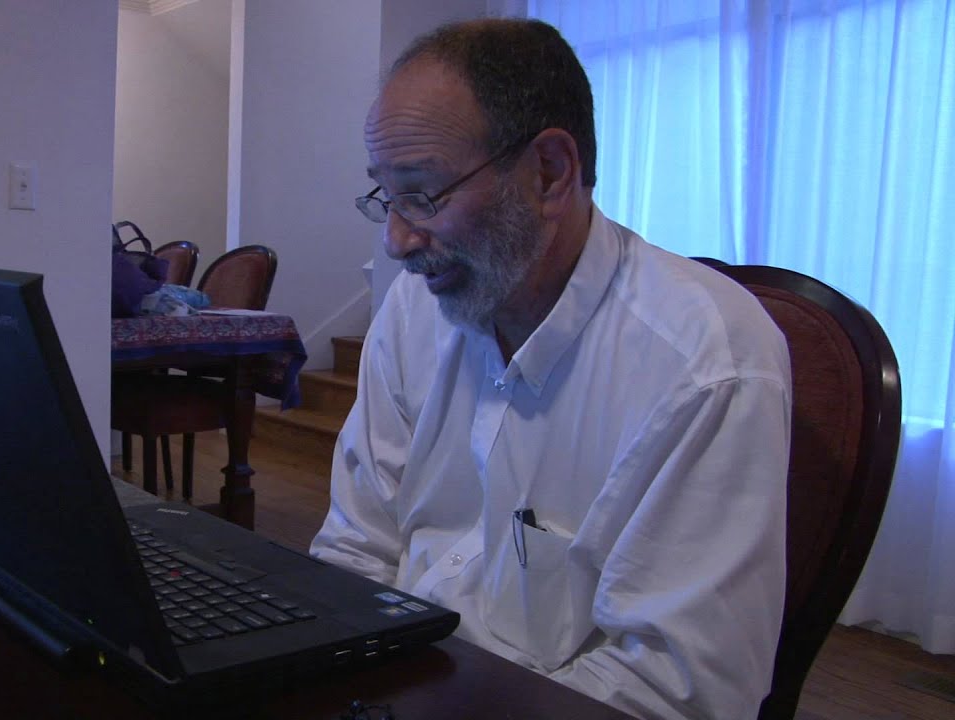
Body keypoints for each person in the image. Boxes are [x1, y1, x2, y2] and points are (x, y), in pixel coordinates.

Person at [309, 18, 792, 720]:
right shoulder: (415, 312)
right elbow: (355, 551)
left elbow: (673, 695)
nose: (396, 241)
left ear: (550, 173)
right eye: (386, 196)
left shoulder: (705, 363)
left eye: (424, 194)